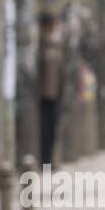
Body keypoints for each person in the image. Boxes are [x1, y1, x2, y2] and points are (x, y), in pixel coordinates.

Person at [38, 14, 64, 166]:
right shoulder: (43, 45)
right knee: (45, 130)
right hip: (44, 96)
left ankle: (50, 159)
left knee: (53, 129)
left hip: (55, 95)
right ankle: (45, 160)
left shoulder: (56, 45)